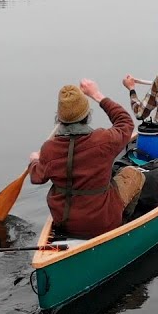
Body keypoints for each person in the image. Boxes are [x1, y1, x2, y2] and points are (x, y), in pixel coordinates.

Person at [28, 79, 146, 238]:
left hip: (64, 221)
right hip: (103, 221)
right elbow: (125, 122)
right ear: (87, 115)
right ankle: (123, 222)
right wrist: (96, 95)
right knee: (133, 173)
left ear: (59, 117)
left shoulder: (49, 149)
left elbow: (37, 177)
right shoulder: (105, 140)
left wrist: (34, 160)